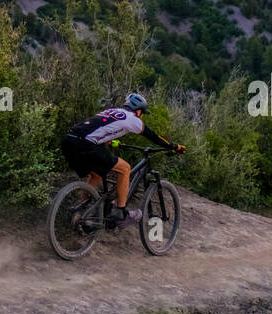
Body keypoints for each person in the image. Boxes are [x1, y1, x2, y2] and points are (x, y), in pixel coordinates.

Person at [61, 92, 184, 228]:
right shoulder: (133, 119)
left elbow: (96, 128)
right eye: (142, 113)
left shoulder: (111, 111)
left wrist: (110, 141)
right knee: (125, 169)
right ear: (138, 111)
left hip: (69, 141)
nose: (142, 116)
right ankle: (120, 212)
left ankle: (81, 208)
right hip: (86, 144)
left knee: (96, 175)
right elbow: (153, 136)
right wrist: (174, 146)